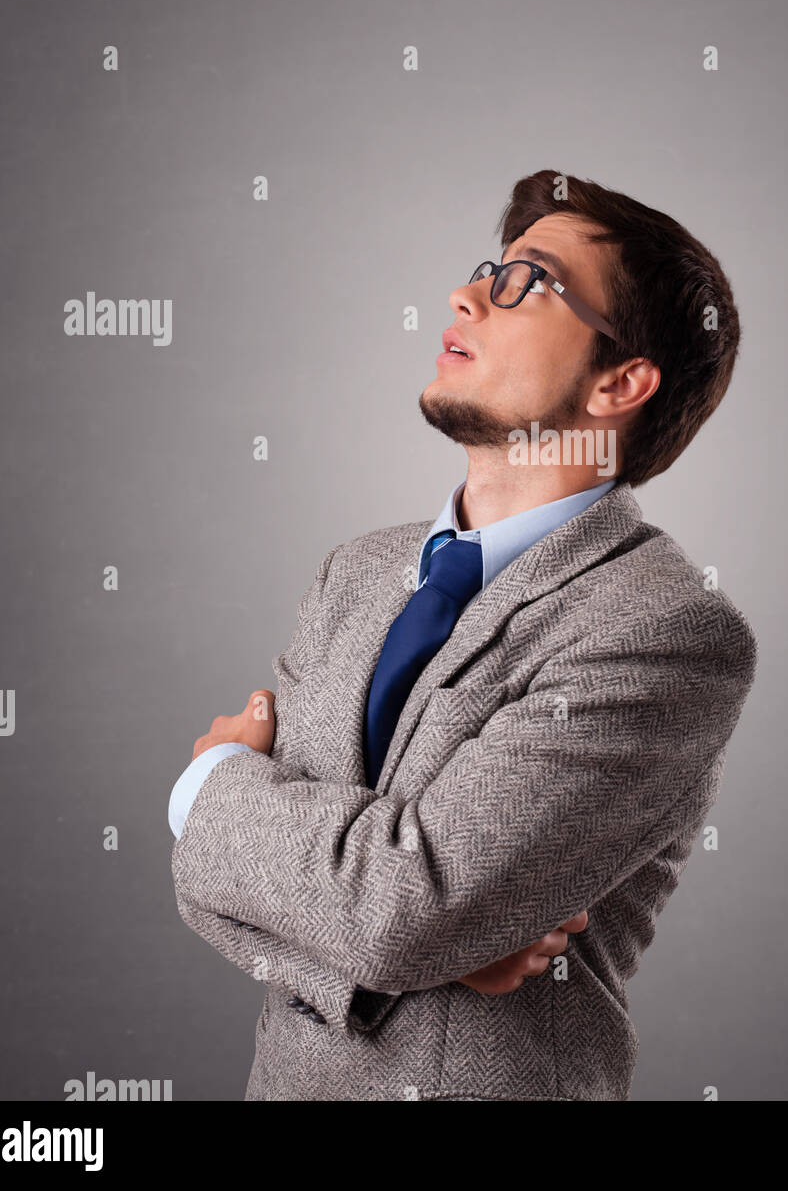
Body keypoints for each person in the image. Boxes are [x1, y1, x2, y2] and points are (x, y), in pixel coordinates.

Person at [168, 168, 757, 1100]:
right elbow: (219, 885)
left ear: (620, 383)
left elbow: (403, 907)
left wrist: (207, 788)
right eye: (490, 266)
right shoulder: (355, 572)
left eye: (529, 281)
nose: (466, 294)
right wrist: (408, 944)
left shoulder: (664, 630)